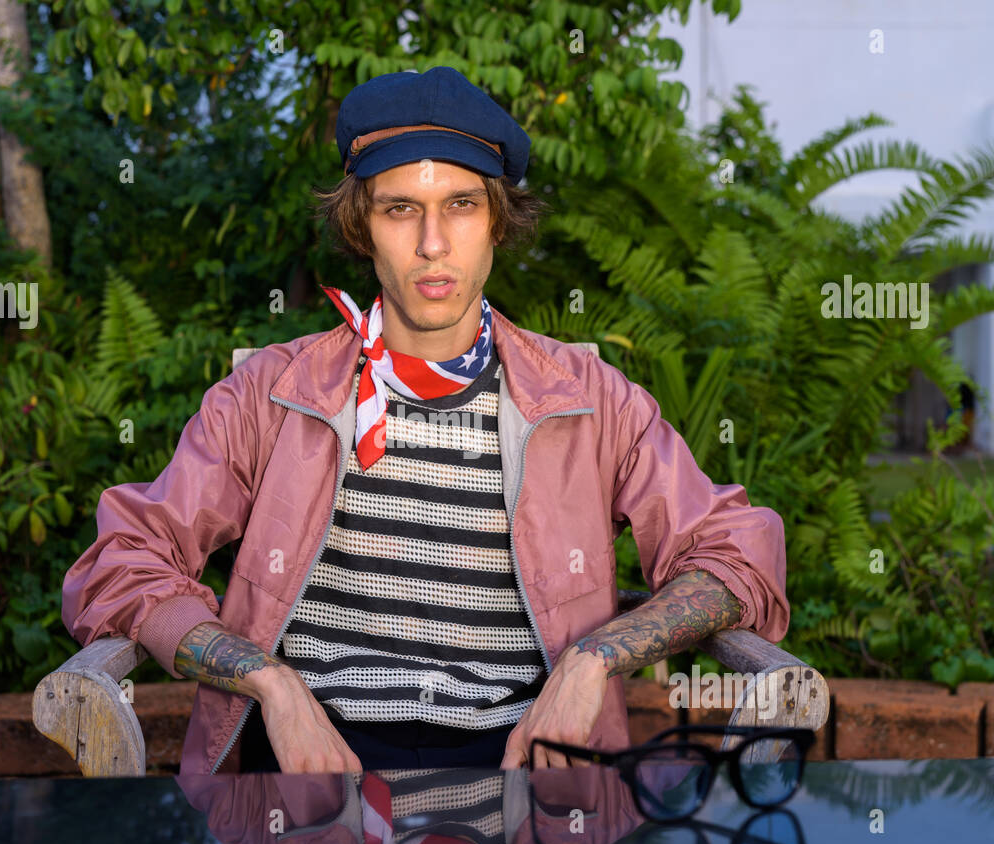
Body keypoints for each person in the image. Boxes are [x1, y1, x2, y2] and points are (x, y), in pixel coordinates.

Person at [61, 66, 790, 778]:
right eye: (400, 208)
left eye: (463, 205)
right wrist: (269, 684)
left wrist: (595, 657)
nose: (433, 243)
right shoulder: (273, 394)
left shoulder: (588, 401)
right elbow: (123, 560)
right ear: (361, 227)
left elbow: (738, 552)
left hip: (522, 765)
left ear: (498, 223)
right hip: (308, 765)